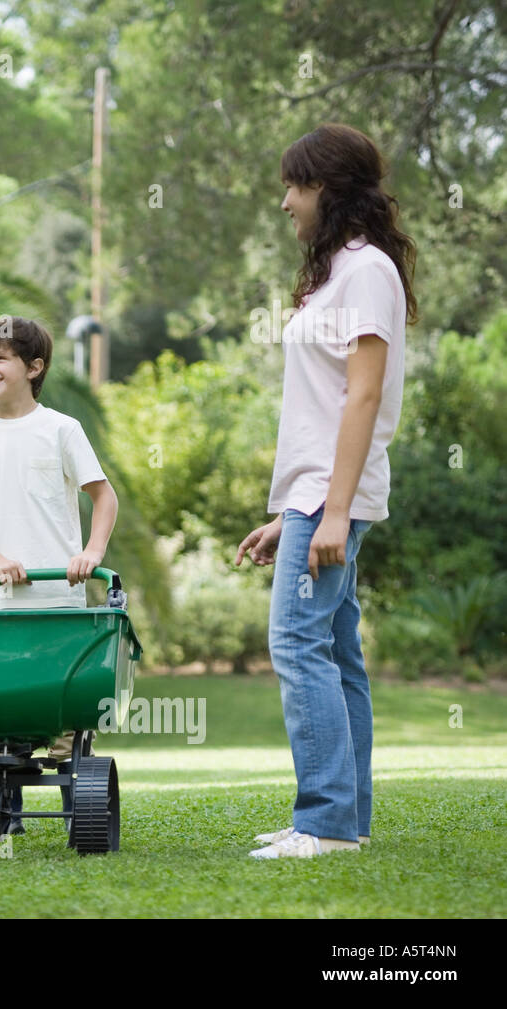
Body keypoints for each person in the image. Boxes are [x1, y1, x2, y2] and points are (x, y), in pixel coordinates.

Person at [237, 123, 417, 859]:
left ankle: (327, 822)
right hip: (316, 498)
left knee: (298, 643)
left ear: (328, 190)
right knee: (338, 653)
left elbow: (363, 397)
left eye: (296, 185)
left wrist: (332, 508)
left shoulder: (366, 270)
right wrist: (294, 513)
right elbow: (326, 403)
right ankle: (344, 816)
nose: (285, 202)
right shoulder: (338, 272)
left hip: (332, 500)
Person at [0, 317, 119, 834]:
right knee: (2, 702)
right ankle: (5, 801)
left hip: (58, 595)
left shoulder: (61, 429)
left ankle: (73, 775)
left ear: (34, 368)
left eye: (0, 358)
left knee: (62, 711)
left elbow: (103, 496)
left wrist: (91, 551)